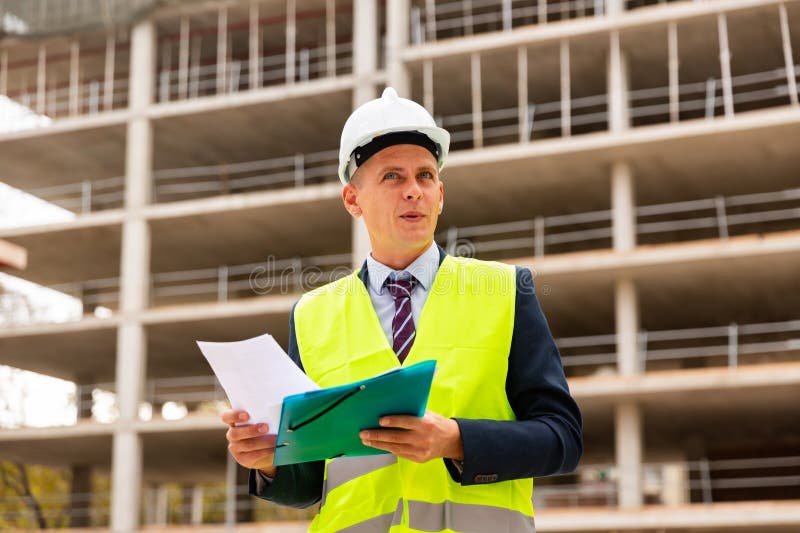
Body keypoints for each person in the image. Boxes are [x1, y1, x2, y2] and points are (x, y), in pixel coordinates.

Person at [222, 87, 582, 532]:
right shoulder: (311, 316)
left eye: (425, 176)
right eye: (393, 177)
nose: (414, 191)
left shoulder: (506, 291)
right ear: (353, 200)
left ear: (441, 194)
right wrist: (268, 462)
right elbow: (310, 480)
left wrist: (456, 440)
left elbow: (563, 439)